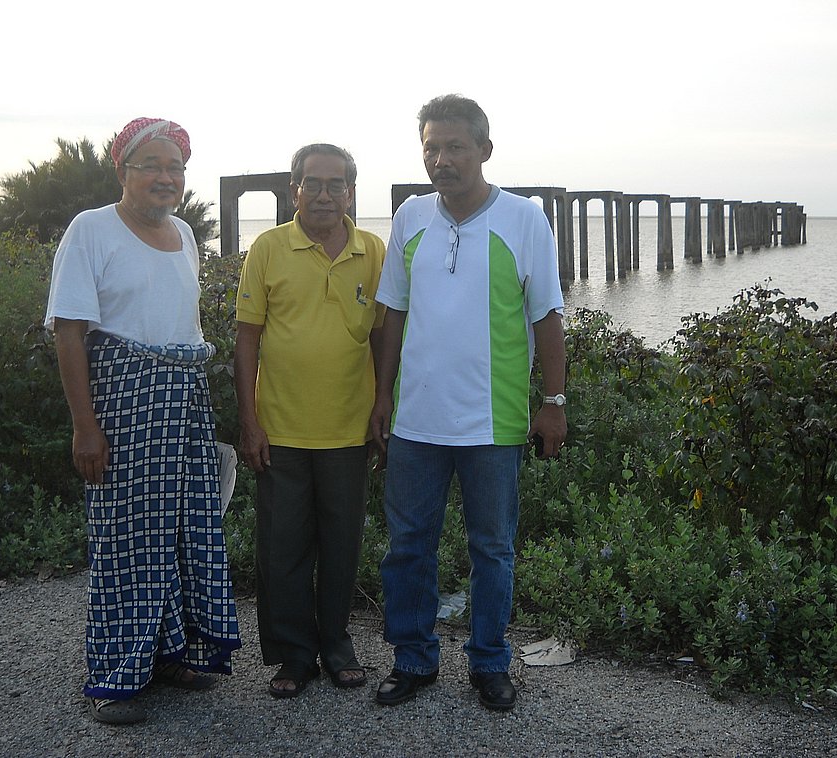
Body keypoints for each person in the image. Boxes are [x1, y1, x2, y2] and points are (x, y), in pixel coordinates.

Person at [370, 94, 568, 712]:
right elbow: (393, 312)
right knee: (408, 545)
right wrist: (380, 396)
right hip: (415, 421)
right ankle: (413, 659)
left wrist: (554, 402)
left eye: (455, 146)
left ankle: (488, 662)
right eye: (431, 147)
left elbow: (548, 317)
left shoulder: (524, 220)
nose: (442, 159)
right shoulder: (409, 217)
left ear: (485, 149)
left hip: (495, 422)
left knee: (493, 548)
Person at [45, 118, 241, 724]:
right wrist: (85, 426)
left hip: (182, 402)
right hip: (124, 404)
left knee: (183, 530)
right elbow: (71, 334)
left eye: (175, 167)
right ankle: (113, 676)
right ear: (122, 170)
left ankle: (171, 653)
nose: (164, 177)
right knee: (128, 540)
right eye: (150, 165)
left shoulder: (183, 233)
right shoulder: (91, 230)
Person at [234, 144, 385, 699]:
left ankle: (337, 646)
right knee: (282, 548)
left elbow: (383, 333)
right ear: (294, 189)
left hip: (348, 429)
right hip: (280, 430)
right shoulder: (269, 248)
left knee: (342, 545)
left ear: (351, 191)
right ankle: (293, 656)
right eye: (312, 183)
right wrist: (248, 421)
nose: (324, 194)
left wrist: (382, 401)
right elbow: (246, 337)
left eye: (336, 184)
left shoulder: (373, 251)